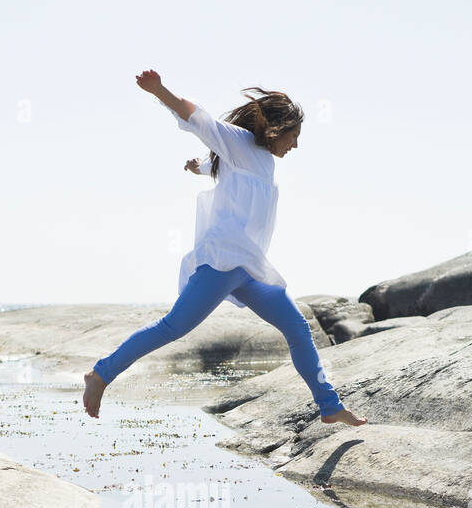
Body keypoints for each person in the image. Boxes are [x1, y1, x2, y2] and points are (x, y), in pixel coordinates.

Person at [83, 69, 367, 427]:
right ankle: (101, 375)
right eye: (294, 136)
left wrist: (201, 167)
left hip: (248, 267)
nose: (295, 145)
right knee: (173, 327)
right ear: (277, 128)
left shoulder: (259, 158)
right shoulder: (238, 141)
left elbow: (230, 170)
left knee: (297, 327)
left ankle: (329, 407)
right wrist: (160, 91)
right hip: (221, 263)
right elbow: (197, 117)